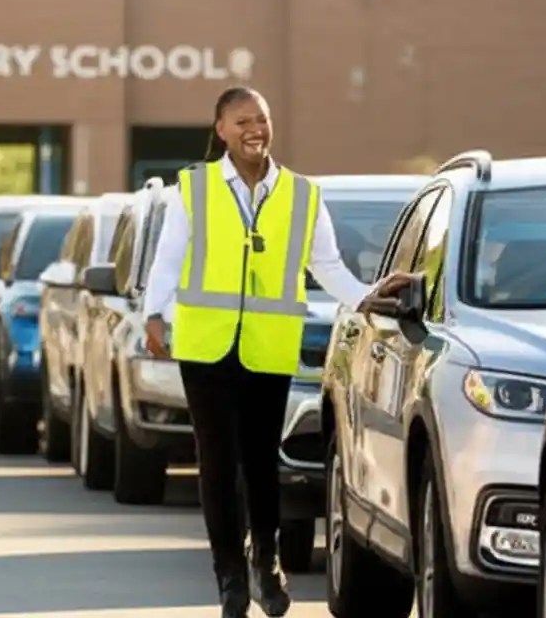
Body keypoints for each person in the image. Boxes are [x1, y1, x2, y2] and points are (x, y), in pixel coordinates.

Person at [140, 86, 412, 618]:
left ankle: (264, 558)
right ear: (220, 129)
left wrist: (368, 296)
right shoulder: (192, 190)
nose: (254, 129)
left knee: (261, 460)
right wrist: (154, 315)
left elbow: (327, 265)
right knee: (216, 462)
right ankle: (229, 578)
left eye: (261, 119)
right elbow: (169, 259)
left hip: (268, 345)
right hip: (205, 344)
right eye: (242, 121)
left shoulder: (302, 194)